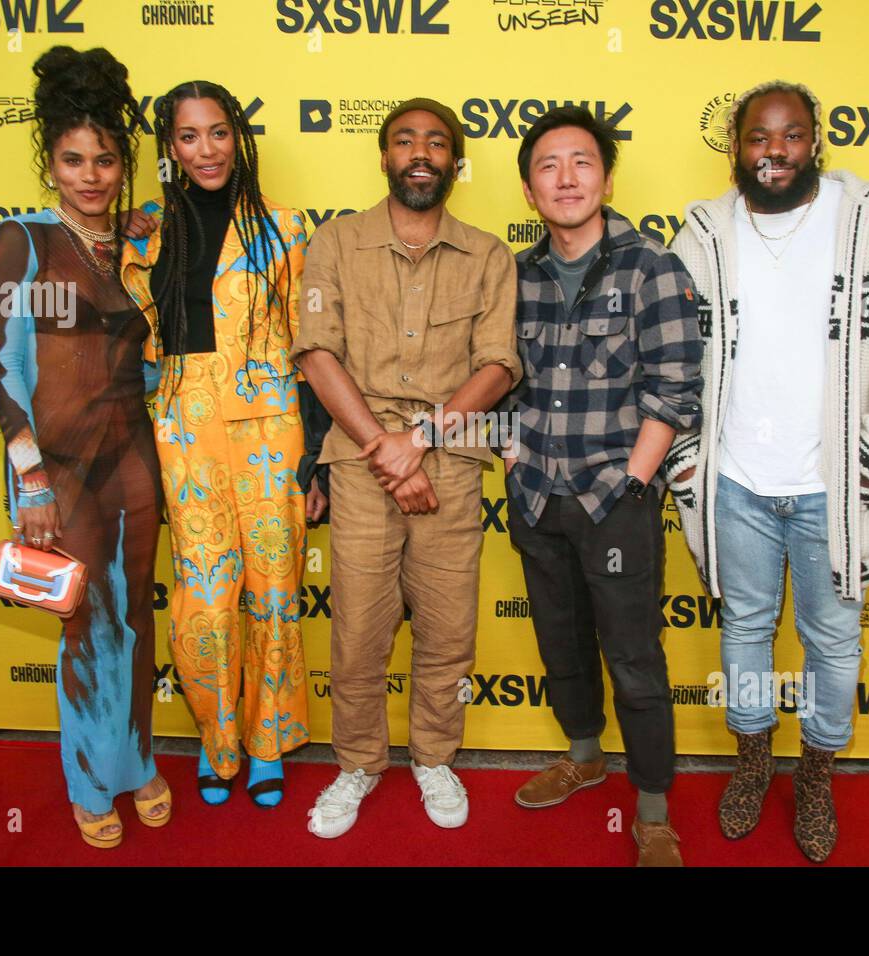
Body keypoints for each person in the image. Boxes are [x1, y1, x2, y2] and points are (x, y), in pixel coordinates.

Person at [662, 80, 869, 862]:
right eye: (758, 137)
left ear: (814, 141)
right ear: (737, 148)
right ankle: (754, 762)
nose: (774, 151)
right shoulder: (703, 233)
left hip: (834, 492)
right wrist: (688, 463)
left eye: (790, 136)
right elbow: (669, 353)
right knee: (746, 630)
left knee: (834, 643)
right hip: (736, 487)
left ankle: (815, 774)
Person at [292, 98, 521, 839]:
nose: (420, 153)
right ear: (383, 156)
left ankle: (433, 757)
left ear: (456, 162)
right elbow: (317, 355)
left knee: (449, 630)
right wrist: (387, 450)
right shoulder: (334, 243)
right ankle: (358, 762)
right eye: (404, 141)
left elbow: (497, 365)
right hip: (359, 463)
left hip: (450, 463)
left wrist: (418, 440)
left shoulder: (488, 254)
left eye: (436, 143)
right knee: (358, 631)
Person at [0, 45, 169, 849]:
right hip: (57, 469)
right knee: (84, 620)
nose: (89, 175)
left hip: (134, 460)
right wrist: (30, 483)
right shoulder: (18, 243)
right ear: (48, 162)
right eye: (72, 159)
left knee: (134, 616)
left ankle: (135, 762)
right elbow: (1, 365)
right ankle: (89, 781)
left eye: (105, 159)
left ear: (124, 165)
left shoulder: (138, 242)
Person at [501, 106, 703, 867]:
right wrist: (515, 460)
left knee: (634, 658)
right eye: (549, 166)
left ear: (607, 177)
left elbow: (677, 389)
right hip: (535, 500)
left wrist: (633, 484)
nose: (566, 178)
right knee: (560, 643)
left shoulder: (652, 267)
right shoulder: (514, 276)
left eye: (582, 162)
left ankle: (653, 809)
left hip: (616, 502)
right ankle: (584, 756)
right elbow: (498, 381)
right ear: (529, 190)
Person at [120, 81, 328, 809]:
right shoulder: (142, 237)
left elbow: (316, 348)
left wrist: (317, 456)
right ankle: (218, 740)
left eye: (217, 133)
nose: (205, 150)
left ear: (238, 138)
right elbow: (136, 351)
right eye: (187, 137)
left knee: (274, 592)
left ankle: (270, 740)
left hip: (273, 426)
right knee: (204, 602)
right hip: (183, 427)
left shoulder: (289, 229)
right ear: (168, 148)